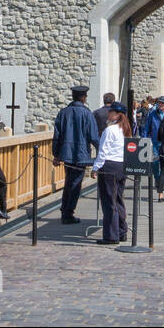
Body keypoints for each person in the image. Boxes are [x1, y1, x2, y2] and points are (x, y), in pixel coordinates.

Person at [52, 84, 99, 224]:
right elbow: (94, 136)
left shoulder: (63, 112)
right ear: (83, 98)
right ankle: (68, 212)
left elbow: (57, 136)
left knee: (69, 181)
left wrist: (56, 154)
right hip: (80, 154)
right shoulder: (87, 113)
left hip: (66, 153)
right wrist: (102, 152)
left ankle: (65, 210)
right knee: (75, 184)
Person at [92, 102, 131, 244]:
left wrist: (95, 167)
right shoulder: (125, 129)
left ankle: (111, 235)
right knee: (118, 199)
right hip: (121, 165)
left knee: (109, 202)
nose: (107, 114)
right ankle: (121, 230)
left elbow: (103, 151)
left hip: (109, 166)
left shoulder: (110, 130)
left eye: (110, 112)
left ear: (116, 115)